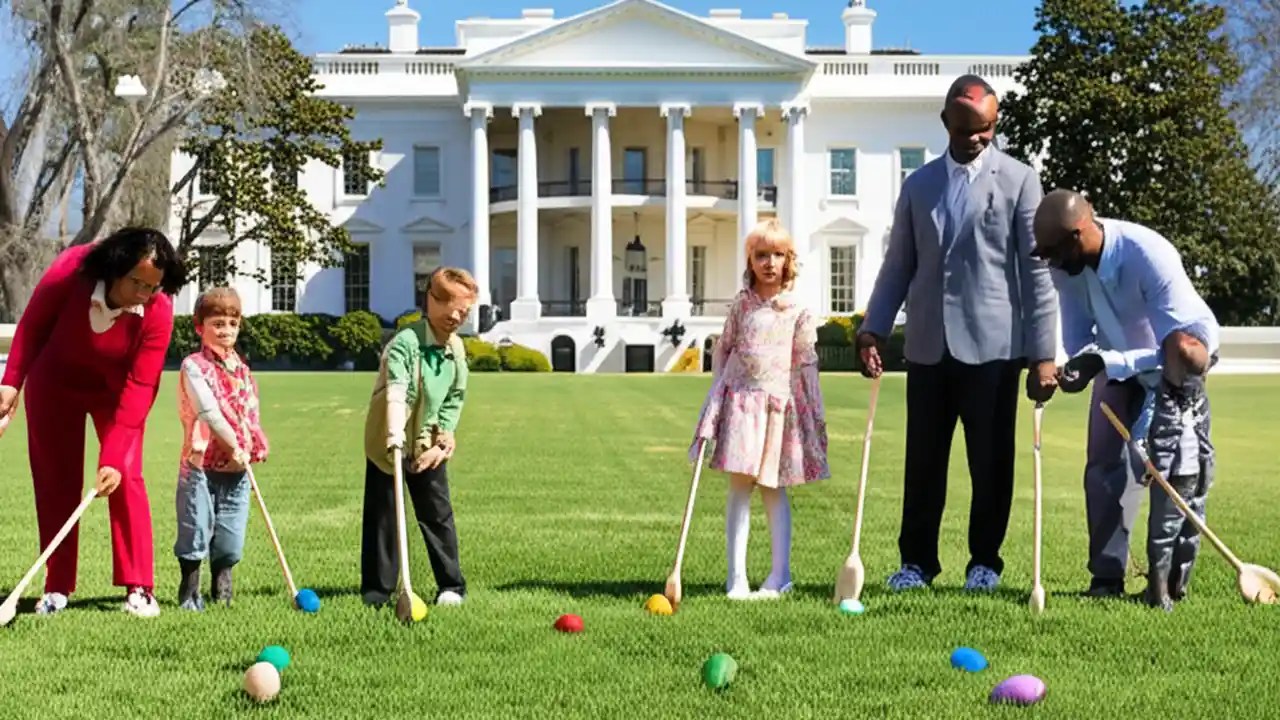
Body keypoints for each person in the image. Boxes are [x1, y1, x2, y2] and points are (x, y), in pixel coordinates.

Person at [857, 74, 1059, 593]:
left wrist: (1042, 356)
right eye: (970, 128)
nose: (979, 138)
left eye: (989, 128)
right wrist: (872, 329)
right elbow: (898, 265)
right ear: (946, 121)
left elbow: (1037, 275)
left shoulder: (1019, 181)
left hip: (994, 350)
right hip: (926, 346)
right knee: (923, 463)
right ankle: (917, 564)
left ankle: (984, 563)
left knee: (990, 464)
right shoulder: (918, 185)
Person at [1031, 189, 1220, 610]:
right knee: (1102, 465)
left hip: (1178, 365)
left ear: (1078, 235)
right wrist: (1076, 367)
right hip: (1119, 365)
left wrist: (1105, 360)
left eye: (1053, 253)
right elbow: (1080, 339)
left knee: (1171, 473)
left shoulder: (1148, 254)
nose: (1049, 263)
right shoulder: (1066, 269)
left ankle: (1168, 582)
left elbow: (1175, 347)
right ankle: (1106, 577)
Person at [0, 227, 186, 617]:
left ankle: (139, 587)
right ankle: (57, 586)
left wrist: (114, 456)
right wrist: (12, 383)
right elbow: (33, 325)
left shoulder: (158, 311)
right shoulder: (71, 270)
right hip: (55, 382)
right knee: (55, 481)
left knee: (127, 477)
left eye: (152, 286)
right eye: (136, 282)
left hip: (117, 392)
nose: (143, 294)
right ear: (114, 268)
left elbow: (140, 386)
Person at [689, 218, 830, 600]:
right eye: (761, 255)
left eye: (778, 255)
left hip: (776, 408)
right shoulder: (741, 305)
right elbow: (726, 348)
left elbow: (804, 362)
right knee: (739, 488)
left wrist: (809, 413)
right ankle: (736, 577)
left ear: (789, 260)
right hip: (739, 403)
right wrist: (716, 395)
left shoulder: (797, 309)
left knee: (772, 488)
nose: (770, 262)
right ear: (750, 260)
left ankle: (779, 575)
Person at [361, 266, 474, 607]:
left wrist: (444, 439)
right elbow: (399, 392)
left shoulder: (456, 349)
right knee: (384, 518)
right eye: (451, 307)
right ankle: (377, 591)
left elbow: (455, 396)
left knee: (437, 514)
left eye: (465, 311)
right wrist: (395, 436)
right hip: (387, 443)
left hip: (426, 445)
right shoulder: (405, 344)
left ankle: (451, 586)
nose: (457, 317)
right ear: (430, 301)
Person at [173, 287, 269, 611]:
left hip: (236, 469)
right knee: (195, 527)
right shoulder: (193, 366)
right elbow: (209, 411)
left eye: (232, 323)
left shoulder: (242, 369)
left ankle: (223, 590)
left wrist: (253, 441)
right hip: (201, 463)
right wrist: (233, 444)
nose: (226, 330)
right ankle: (189, 592)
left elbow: (250, 411)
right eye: (217, 323)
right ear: (200, 327)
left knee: (230, 534)